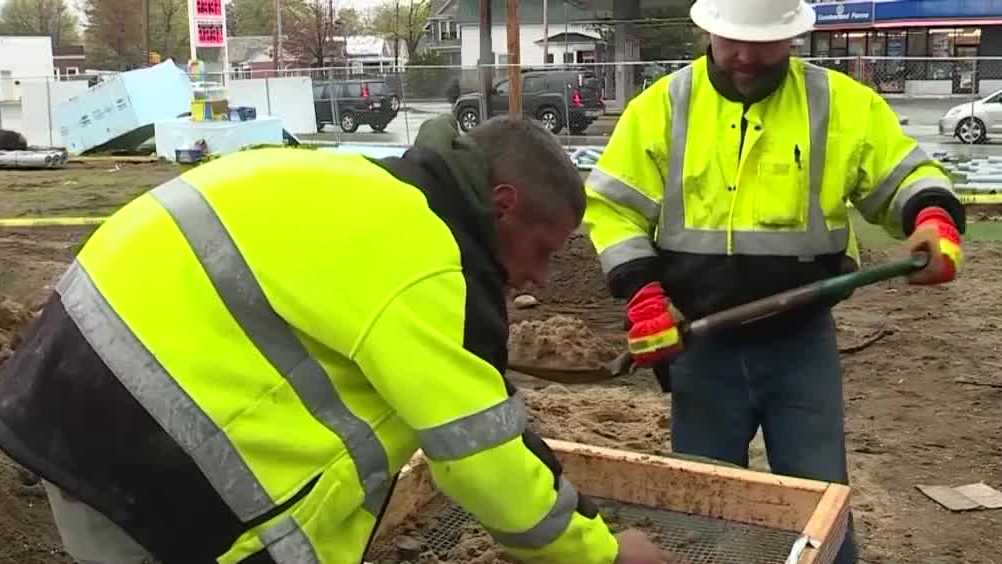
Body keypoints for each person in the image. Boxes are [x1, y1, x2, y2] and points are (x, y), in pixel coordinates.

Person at [0, 115, 670, 564]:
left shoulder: (358, 188)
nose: (541, 276)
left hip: (72, 399)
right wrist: (605, 553)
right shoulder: (423, 253)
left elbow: (484, 413)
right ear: (502, 204)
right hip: (140, 454)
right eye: (542, 250)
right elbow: (477, 458)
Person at [583, 1, 965, 563]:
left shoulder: (838, 105)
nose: (744, 56)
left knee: (820, 501)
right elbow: (613, 208)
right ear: (708, 30)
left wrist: (930, 215)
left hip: (800, 344)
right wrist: (642, 293)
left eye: (762, 43)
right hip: (701, 345)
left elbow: (905, 175)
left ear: (793, 36)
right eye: (731, 40)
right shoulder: (664, 107)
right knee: (706, 504)